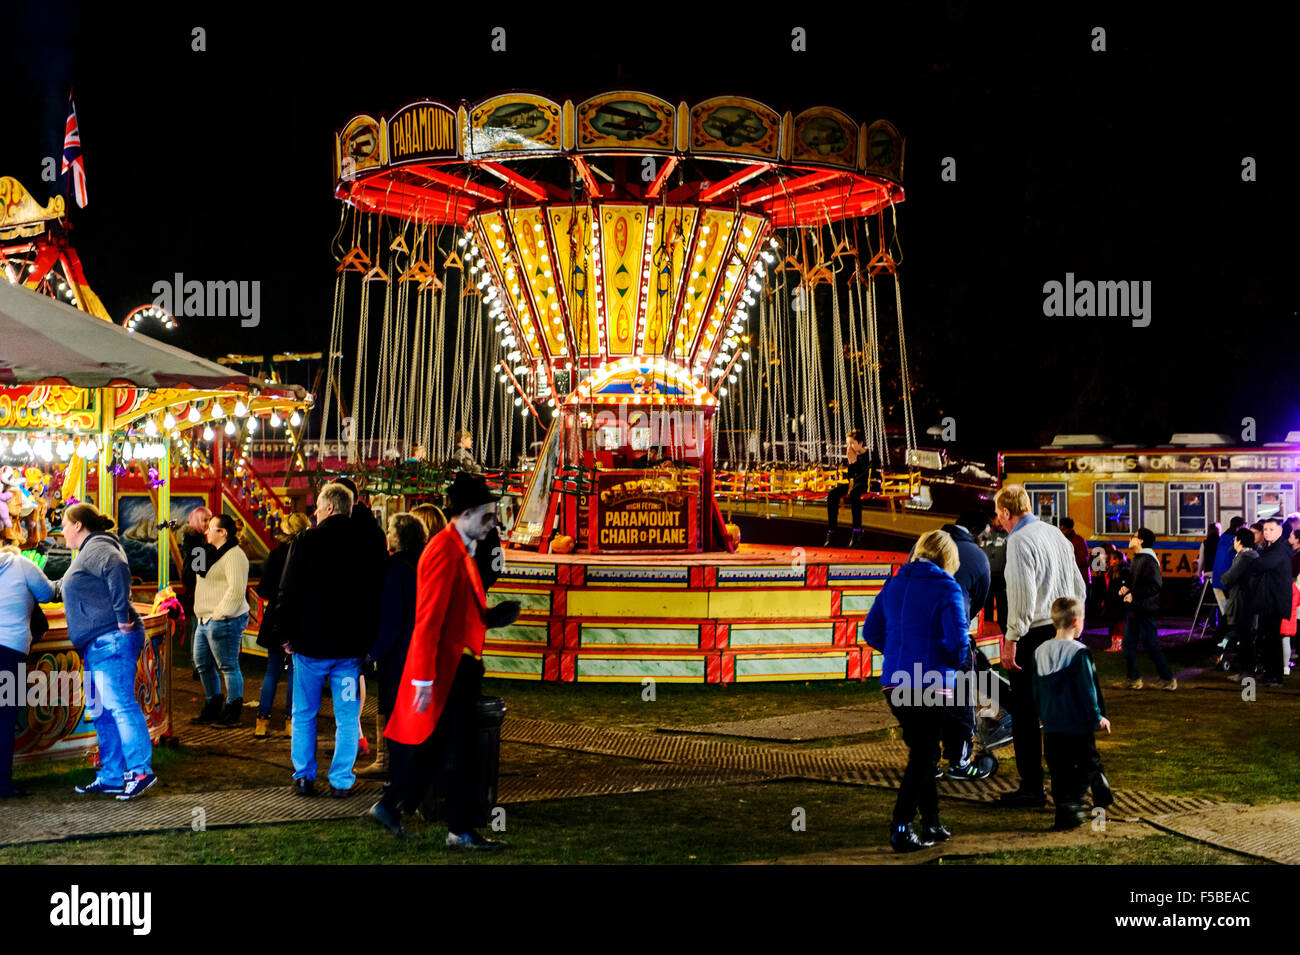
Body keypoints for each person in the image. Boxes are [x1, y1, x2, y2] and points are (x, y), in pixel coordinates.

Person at [368, 473, 520, 847]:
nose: (493, 520)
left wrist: (492, 617)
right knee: (457, 749)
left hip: (459, 667)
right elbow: (428, 617)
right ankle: (457, 828)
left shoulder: (459, 546)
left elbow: (456, 610)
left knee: (442, 749)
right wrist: (422, 678)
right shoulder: (444, 550)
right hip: (448, 670)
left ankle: (397, 807)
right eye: (488, 513)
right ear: (467, 512)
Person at [862, 529, 970, 852]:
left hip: (895, 683)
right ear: (947, 558)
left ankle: (932, 820)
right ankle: (902, 825)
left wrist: (896, 653)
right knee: (924, 755)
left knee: (924, 752)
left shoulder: (894, 583)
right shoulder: (946, 587)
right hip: (931, 682)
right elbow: (957, 642)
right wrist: (953, 662)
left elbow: (871, 630)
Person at [278, 482, 387, 796]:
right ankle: (341, 779)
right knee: (348, 716)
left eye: (316, 507)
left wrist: (286, 635)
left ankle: (304, 775)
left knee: (304, 713)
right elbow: (375, 596)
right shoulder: (368, 542)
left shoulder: (306, 541)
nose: (314, 512)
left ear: (328, 508)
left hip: (310, 646)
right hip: (350, 651)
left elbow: (289, 592)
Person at [51, 503, 156, 799]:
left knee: (120, 705)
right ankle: (111, 774)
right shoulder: (85, 553)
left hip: (110, 639)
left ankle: (140, 770)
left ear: (79, 526)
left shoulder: (98, 547)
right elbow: (64, 587)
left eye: (65, 523)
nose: (62, 529)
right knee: (102, 712)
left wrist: (122, 617)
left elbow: (117, 568)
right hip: (97, 642)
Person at [994, 484, 1087, 809]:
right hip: (1063, 629)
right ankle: (1072, 785)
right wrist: (1078, 624)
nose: (999, 521)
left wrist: (1011, 638)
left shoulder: (1019, 540)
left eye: (999, 515)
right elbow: (1079, 584)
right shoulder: (1056, 535)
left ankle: (1032, 787)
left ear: (1007, 512)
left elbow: (1022, 595)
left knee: (1026, 714)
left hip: (1034, 634)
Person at [1033, 596, 1112, 830]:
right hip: (1077, 723)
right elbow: (1088, 689)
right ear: (1076, 622)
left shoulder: (1039, 652)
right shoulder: (1080, 653)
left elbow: (1036, 689)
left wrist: (1042, 714)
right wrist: (1097, 715)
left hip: (1052, 723)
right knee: (1087, 763)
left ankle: (1064, 812)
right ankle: (1085, 793)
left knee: (1058, 770)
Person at [359, 513, 428, 777]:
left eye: (390, 530)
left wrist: (374, 652)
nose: (387, 534)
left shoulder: (393, 568)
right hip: (424, 646)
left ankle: (386, 760)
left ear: (398, 537)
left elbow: (391, 618)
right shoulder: (426, 562)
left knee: (390, 703)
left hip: (399, 651)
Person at [933, 512, 992, 780]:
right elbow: (981, 597)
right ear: (976, 531)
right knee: (959, 702)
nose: (985, 543)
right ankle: (959, 762)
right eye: (985, 537)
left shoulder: (924, 544)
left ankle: (927, 762)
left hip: (920, 640)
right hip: (954, 637)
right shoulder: (976, 556)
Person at [0, 544, 55, 798]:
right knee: (5, 717)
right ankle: (2, 784)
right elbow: (47, 593)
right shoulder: (21, 564)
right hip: (10, 650)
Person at [191, 513, 251, 727]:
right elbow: (194, 575)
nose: (206, 530)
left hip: (222, 618)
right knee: (203, 664)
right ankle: (212, 704)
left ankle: (233, 709)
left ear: (223, 532)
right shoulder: (208, 552)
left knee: (228, 665)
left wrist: (220, 613)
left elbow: (236, 591)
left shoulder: (234, 556)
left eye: (211, 528)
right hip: (204, 618)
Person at [254, 512, 309, 738]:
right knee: (295, 673)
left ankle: (262, 721)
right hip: (301, 618)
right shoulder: (308, 554)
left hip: (276, 617)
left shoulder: (276, 555)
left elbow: (264, 590)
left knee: (272, 672)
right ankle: (290, 721)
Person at [1117, 527, 1175, 690]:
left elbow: (1155, 585)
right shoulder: (1139, 558)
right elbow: (1137, 582)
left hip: (1144, 610)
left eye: (1133, 536)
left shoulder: (1148, 560)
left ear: (1141, 541)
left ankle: (1168, 679)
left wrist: (1134, 594)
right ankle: (1134, 679)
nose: (1130, 539)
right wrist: (1126, 588)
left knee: (1150, 645)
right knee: (1128, 645)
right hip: (1135, 609)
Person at [1248, 517, 1291, 687]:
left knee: (1273, 640)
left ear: (1279, 531)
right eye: (1265, 529)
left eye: (1271, 529)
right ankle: (1269, 674)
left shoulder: (1279, 549)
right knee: (1268, 639)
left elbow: (1261, 565)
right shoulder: (1269, 547)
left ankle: (1275, 676)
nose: (1267, 533)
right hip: (1268, 600)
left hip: (1275, 601)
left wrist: (1250, 560)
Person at [1221, 527, 1260, 680]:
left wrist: (1224, 578)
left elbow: (1228, 578)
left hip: (1243, 603)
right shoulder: (1251, 555)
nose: (1234, 542)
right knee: (1246, 638)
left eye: (1235, 539)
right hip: (1246, 601)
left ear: (1239, 541)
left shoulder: (1245, 557)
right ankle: (1247, 670)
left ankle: (1246, 672)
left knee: (1245, 639)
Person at [178, 506, 213, 658]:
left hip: (197, 589)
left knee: (199, 627)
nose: (208, 523)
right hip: (197, 590)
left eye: (209, 520)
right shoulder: (196, 543)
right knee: (198, 627)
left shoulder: (196, 541)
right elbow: (199, 570)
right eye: (205, 520)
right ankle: (197, 662)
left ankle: (198, 661)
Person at [825, 429, 868, 549]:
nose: (850, 447)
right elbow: (851, 476)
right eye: (848, 444)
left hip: (866, 483)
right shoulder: (852, 454)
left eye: (852, 443)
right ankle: (832, 533)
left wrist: (854, 463)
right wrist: (851, 462)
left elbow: (863, 475)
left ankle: (857, 533)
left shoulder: (869, 455)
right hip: (854, 483)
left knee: (854, 494)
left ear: (860, 443)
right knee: (832, 494)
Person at [1211, 516, 1246, 621]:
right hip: (1228, 580)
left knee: (1224, 610)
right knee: (1230, 612)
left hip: (1217, 579)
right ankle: (1226, 633)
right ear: (1239, 527)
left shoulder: (1223, 538)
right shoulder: (1234, 540)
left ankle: (1222, 630)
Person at [980, 520, 1008, 634]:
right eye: (998, 520)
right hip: (987, 576)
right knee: (988, 607)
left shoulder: (1008, 536)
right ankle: (988, 632)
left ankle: (1003, 632)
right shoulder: (984, 535)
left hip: (1002, 577)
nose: (1001, 522)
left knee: (1003, 607)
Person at [1103, 550, 1130, 651]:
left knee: (1120, 624)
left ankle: (1120, 646)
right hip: (1112, 603)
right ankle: (1114, 645)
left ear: (1120, 560)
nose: (1111, 561)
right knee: (1113, 624)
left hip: (1120, 603)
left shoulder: (1124, 572)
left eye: (1114, 559)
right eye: (1110, 559)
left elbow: (1125, 587)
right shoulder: (1110, 572)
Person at [1059, 518, 1092, 590]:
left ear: (1070, 529)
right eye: (1060, 529)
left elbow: (1084, 560)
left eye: (1064, 529)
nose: (1061, 532)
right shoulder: (1062, 540)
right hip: (1069, 578)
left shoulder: (1079, 540)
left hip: (1080, 577)